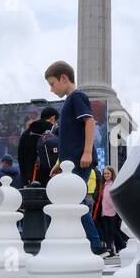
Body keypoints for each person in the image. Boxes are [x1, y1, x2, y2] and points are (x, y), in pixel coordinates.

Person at [44, 60, 102, 250]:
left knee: (75, 200)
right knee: (73, 200)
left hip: (81, 160)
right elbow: (70, 139)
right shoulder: (70, 101)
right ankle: (86, 243)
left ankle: (94, 245)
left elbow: (90, 122)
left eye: (52, 84)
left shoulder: (77, 97)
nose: (51, 90)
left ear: (63, 78)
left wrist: (87, 152)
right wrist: (59, 162)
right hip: (71, 160)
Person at [18, 108, 58, 185]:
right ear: (53, 118)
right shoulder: (54, 130)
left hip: (31, 176)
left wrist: (24, 179)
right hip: (51, 176)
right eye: (56, 121)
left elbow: (20, 157)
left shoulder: (26, 133)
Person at [95, 165, 124, 257]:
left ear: (112, 174)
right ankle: (110, 249)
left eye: (108, 173)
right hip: (104, 212)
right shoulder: (103, 185)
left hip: (113, 212)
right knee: (107, 232)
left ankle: (122, 246)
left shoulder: (114, 184)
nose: (106, 175)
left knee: (114, 231)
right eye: (104, 174)